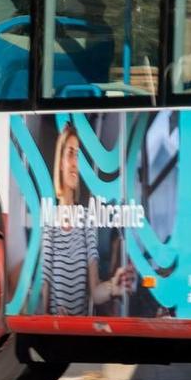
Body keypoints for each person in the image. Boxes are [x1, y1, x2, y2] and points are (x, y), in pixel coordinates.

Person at [40, 120, 137, 315]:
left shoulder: (86, 218)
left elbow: (96, 291)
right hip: (55, 327)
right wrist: (46, 323)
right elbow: (45, 286)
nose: (75, 163)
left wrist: (112, 287)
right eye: (70, 154)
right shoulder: (50, 217)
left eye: (77, 155)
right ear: (60, 162)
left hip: (77, 327)